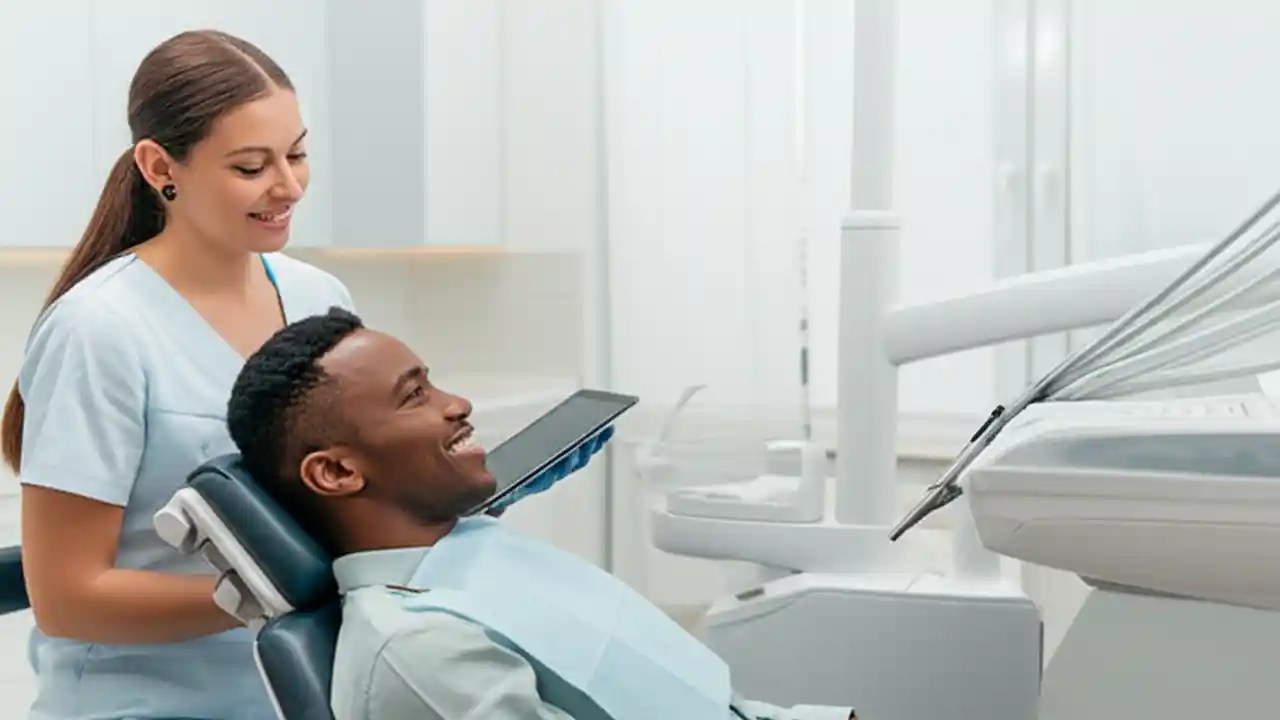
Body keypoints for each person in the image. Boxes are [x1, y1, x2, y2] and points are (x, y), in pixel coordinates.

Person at [0, 29, 587, 719]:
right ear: (161, 165)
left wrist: (448, 494)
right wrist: (284, 595)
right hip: (146, 705)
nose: (288, 186)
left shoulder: (319, 297)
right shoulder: (99, 331)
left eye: (299, 154)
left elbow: (348, 489)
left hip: (311, 692)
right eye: (251, 167)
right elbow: (71, 599)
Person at [225, 306, 860, 720]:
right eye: (414, 396)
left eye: (433, 381)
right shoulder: (418, 648)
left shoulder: (471, 555)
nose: (458, 404)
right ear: (336, 471)